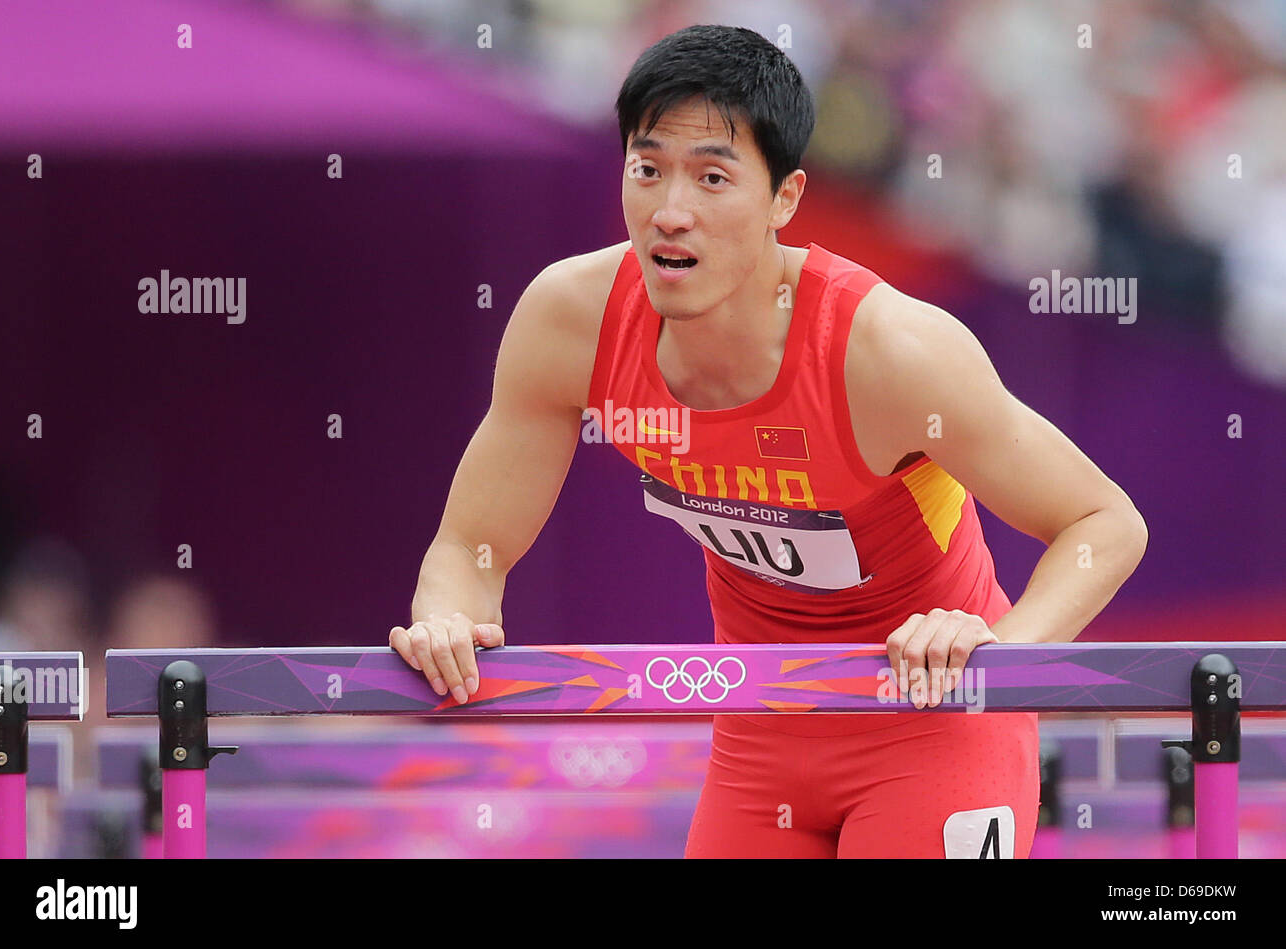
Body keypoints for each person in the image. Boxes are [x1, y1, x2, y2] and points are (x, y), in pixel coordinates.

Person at [389, 24, 1147, 858]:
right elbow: (471, 547)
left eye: (713, 177)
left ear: (786, 198)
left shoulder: (890, 351)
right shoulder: (569, 321)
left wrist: (998, 651)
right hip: (760, 726)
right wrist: (448, 619)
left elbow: (1104, 523)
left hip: (933, 719)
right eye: (647, 170)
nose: (670, 212)